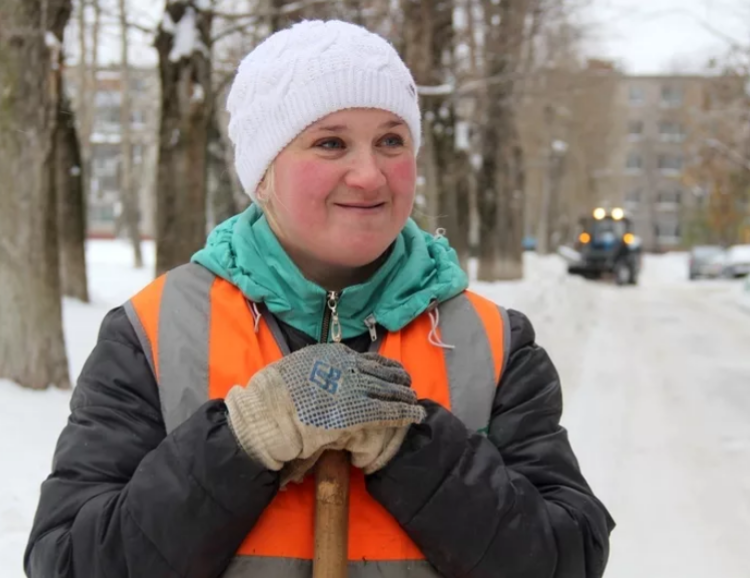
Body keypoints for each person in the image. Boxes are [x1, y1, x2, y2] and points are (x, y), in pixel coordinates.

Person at [25, 19, 614, 578]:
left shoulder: (493, 343)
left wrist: (413, 447)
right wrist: (243, 440)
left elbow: (567, 557)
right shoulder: (154, 334)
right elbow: (70, 560)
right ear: (262, 174)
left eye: (391, 140)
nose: (370, 175)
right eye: (330, 143)